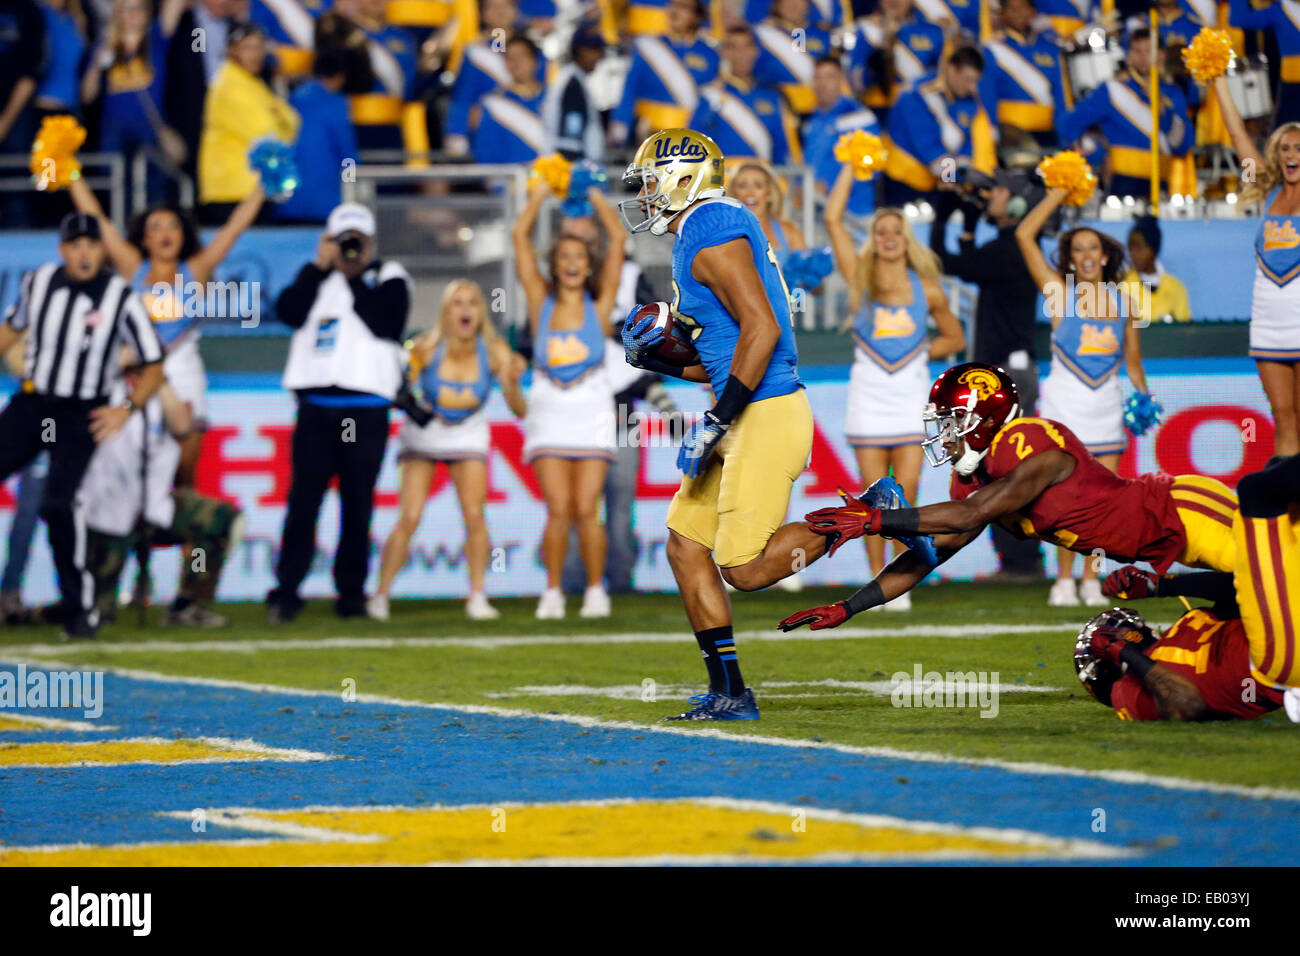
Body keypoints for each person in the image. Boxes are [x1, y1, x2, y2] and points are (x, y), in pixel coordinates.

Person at [619, 128, 847, 720]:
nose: (644, 196)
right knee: (685, 546)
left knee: (743, 568)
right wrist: (668, 360)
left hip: (764, 411)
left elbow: (764, 329)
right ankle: (730, 692)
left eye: (649, 183)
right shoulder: (700, 230)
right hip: (747, 406)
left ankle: (867, 513)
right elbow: (727, 351)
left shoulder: (708, 226)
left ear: (682, 177)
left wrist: (717, 419)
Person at [777, 362, 1243, 630]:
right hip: (1162, 540)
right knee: (1243, 609)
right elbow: (924, 557)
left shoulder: (1028, 440)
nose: (944, 438)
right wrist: (848, 607)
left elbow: (971, 513)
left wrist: (876, 522)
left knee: (1276, 587)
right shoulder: (973, 480)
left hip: (1183, 511)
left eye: (951, 424)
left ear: (980, 419)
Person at [0, 212, 165, 639]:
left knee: (59, 505)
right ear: (63, 250)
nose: (85, 252)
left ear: (103, 250)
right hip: (35, 404)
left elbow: (154, 365)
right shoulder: (39, 282)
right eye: (76, 245)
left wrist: (125, 408)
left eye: (92, 244)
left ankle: (78, 608)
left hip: (80, 413)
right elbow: (11, 329)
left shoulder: (120, 296)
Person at [827, 166, 965, 602]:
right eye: (881, 231)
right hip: (869, 399)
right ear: (874, 238)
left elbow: (956, 337)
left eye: (896, 232)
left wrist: (923, 349)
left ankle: (898, 581)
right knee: (870, 500)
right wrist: (851, 163)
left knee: (905, 497)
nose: (888, 238)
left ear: (907, 239)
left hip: (909, 399)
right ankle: (874, 578)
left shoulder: (929, 288)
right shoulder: (859, 281)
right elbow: (832, 219)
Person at [270, 202, 411, 622]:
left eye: (357, 240)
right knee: (303, 503)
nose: (350, 247)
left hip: (364, 410)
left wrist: (354, 277)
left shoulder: (388, 275)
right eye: (342, 240)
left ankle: (351, 594)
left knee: (357, 504)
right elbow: (288, 313)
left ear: (370, 243)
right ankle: (287, 591)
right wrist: (319, 267)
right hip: (316, 408)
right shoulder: (315, 278)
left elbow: (387, 324)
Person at [1016, 187, 1153, 607]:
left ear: (1106, 256)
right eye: (1078, 249)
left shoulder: (1125, 302)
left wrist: (1143, 400)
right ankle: (1062, 579)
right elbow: (1024, 234)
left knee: (1103, 500)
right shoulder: (1060, 295)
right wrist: (1058, 192)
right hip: (1064, 408)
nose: (1088, 255)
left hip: (1107, 407)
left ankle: (1092, 578)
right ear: (1071, 259)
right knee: (1061, 497)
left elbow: (1133, 364)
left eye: (1094, 247)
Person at [369, 280, 527, 622]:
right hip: (425, 434)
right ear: (446, 310)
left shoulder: (495, 349)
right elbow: (397, 392)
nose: (466, 309)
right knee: (409, 517)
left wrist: (511, 381)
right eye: (458, 303)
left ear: (481, 311)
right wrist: (413, 404)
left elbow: (520, 410)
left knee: (474, 514)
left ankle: (477, 595)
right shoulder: (425, 346)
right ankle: (380, 595)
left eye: (473, 302)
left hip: (468, 432)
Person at [512, 181, 625, 620]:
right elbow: (519, 238)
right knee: (558, 510)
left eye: (579, 257)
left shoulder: (600, 306)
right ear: (554, 265)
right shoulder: (541, 303)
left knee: (586, 508)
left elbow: (617, 238)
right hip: (548, 412)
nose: (573, 264)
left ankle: (597, 590)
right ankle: (554, 590)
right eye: (564, 257)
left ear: (587, 264)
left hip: (592, 410)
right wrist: (539, 193)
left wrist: (595, 193)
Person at [929, 165, 1045, 579]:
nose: (988, 196)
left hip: (1005, 377)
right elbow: (966, 260)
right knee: (1000, 469)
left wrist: (945, 216)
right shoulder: (1009, 246)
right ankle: (1018, 560)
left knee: (1006, 470)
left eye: (996, 191)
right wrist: (968, 223)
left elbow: (945, 262)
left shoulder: (1010, 248)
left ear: (1016, 202)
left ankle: (1022, 561)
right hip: (1006, 372)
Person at [80, 374, 244, 628]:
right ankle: (74, 607)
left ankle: (187, 603)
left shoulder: (162, 388)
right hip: (104, 510)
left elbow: (182, 427)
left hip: (155, 506)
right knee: (95, 611)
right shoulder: (97, 382)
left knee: (217, 519)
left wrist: (159, 381)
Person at [1210, 71, 1300, 457]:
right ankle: (1289, 515)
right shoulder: (1264, 189)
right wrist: (1216, 80)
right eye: (1286, 148)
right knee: (1283, 418)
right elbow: (1237, 135)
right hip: (1267, 323)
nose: (1292, 156)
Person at [1058, 28, 1193, 198]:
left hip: (1161, 181)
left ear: (1161, 55)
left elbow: (1181, 146)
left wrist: (1163, 110)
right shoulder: (1112, 90)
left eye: (1149, 51)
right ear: (1129, 56)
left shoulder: (1173, 94)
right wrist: (1097, 156)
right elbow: (1068, 124)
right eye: (1137, 51)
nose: (1143, 58)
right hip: (1122, 181)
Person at [198, 21, 301, 220]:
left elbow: (293, 125)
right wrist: (277, 120)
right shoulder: (229, 84)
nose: (255, 54)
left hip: (251, 191)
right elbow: (269, 135)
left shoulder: (253, 83)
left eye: (259, 47)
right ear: (232, 51)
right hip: (229, 193)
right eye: (248, 48)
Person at [881, 45, 994, 209]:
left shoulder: (970, 100)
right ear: (951, 69)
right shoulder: (914, 95)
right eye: (968, 80)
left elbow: (968, 144)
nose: (972, 87)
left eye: (976, 81)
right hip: (905, 182)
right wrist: (959, 178)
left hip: (941, 183)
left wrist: (961, 176)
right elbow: (930, 149)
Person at [609, 0, 718, 148]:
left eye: (684, 7)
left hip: (689, 139)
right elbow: (630, 89)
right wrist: (620, 127)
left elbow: (710, 101)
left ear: (697, 16)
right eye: (673, 5)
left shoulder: (710, 55)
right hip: (646, 135)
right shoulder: (648, 46)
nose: (675, 11)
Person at [690, 26, 800, 166]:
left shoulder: (774, 97)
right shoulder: (710, 95)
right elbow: (695, 145)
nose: (740, 53)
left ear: (755, 52)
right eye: (733, 47)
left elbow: (786, 150)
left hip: (763, 181)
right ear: (724, 52)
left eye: (746, 47)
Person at [274, 47, 359, 224]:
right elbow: (346, 154)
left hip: (288, 203)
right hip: (326, 204)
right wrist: (352, 189)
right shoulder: (337, 104)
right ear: (341, 76)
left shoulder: (289, 101)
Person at [980, 0, 1071, 150]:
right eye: (1012, 9)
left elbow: (1061, 98)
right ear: (1002, 14)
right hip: (1009, 137)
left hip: (1048, 137)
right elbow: (987, 97)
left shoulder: (1052, 49)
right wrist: (992, 134)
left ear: (1033, 12)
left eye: (1023, 8)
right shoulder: (992, 50)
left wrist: (1064, 137)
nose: (1018, 14)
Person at [803, 56, 880, 218]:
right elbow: (808, 163)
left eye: (829, 77)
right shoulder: (811, 122)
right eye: (818, 77)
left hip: (854, 214)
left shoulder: (860, 117)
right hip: (816, 214)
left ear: (842, 80)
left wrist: (829, 185)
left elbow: (871, 165)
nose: (822, 83)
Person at [849, 0, 945, 124]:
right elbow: (857, 83)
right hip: (878, 114)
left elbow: (941, 79)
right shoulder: (867, 31)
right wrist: (885, 45)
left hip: (919, 114)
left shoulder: (933, 32)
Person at [469, 32, 545, 164]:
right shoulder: (491, 104)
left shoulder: (554, 98)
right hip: (510, 181)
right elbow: (486, 155)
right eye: (510, 58)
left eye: (522, 56)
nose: (517, 63)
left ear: (535, 61)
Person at [753, 0, 833, 117]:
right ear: (777, 4)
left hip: (820, 111)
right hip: (776, 111)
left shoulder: (824, 35)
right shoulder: (761, 34)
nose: (793, 4)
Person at [542, 23, 606, 163]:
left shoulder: (574, 79)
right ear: (581, 51)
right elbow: (570, 138)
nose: (599, 56)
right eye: (595, 50)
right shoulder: (572, 84)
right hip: (569, 163)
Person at [728, 159, 804, 267]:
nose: (750, 192)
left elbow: (809, 277)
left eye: (758, 185)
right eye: (742, 186)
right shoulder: (722, 235)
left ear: (769, 193)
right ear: (733, 193)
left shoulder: (790, 232)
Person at [1123, 215, 1191, 323]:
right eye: (1131, 249)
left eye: (1140, 249)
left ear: (1154, 250)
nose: (1134, 255)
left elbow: (1185, 331)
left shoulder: (1176, 288)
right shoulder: (1121, 285)